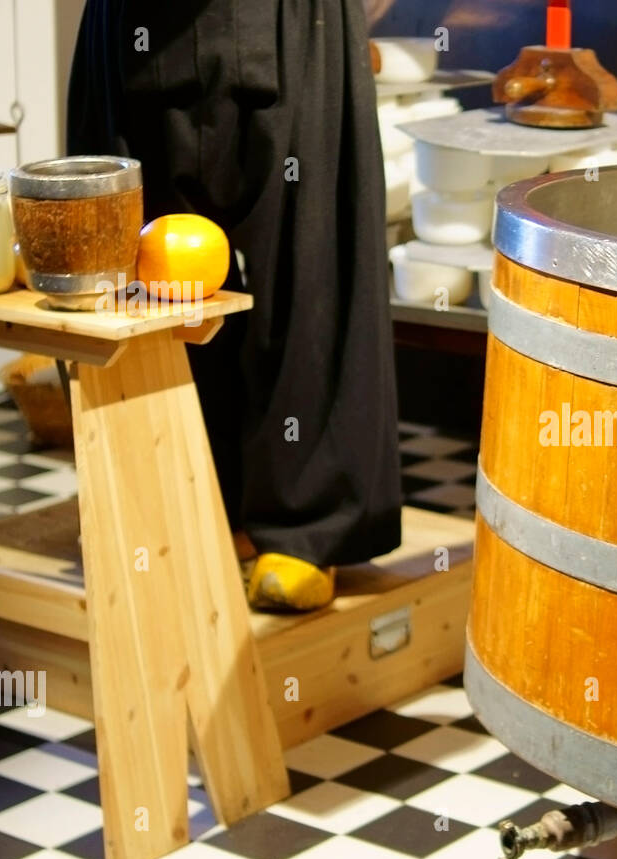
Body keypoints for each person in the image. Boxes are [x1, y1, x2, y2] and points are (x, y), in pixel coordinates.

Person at [66, 0, 402, 611]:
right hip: (133, 21)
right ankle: (186, 500)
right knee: (134, 265)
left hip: (295, 18)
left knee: (312, 260)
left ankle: (306, 528)